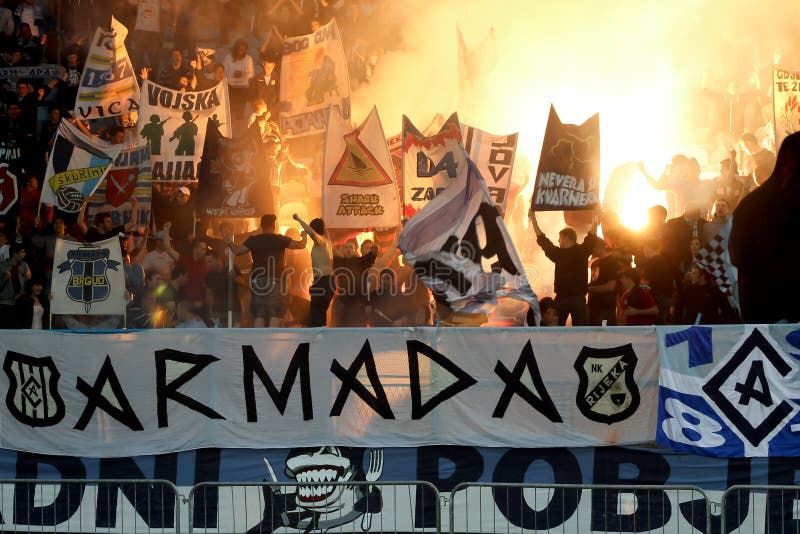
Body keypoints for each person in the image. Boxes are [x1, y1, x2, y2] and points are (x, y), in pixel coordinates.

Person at [730, 131, 800, 323]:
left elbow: (736, 255)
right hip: (768, 313)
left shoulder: (750, 205)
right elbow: (738, 254)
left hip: (764, 315)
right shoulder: (753, 206)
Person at [225, 214, 307, 327]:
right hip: (275, 280)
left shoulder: (254, 240)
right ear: (274, 226)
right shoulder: (280, 239)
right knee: (275, 313)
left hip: (258, 280)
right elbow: (301, 245)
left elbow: (237, 251)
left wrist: (229, 241)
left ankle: (260, 342)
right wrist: (304, 236)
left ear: (261, 226)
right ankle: (272, 342)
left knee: (259, 313)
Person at [529, 209, 598, 326]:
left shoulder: (560, 254)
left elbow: (542, 239)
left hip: (566, 298)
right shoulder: (581, 251)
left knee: (558, 327)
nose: (558, 241)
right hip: (574, 298)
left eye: (559, 238)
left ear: (566, 238)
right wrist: (596, 216)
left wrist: (533, 219)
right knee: (577, 328)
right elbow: (593, 236)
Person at [293, 214, 333, 327]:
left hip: (322, 282)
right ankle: (321, 338)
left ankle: (315, 340)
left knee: (315, 315)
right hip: (329, 282)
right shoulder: (327, 241)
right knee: (320, 313)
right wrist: (322, 220)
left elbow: (311, 233)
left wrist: (299, 219)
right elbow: (324, 230)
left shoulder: (320, 241)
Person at [587, 240, 619, 326]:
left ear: (597, 247)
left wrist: (588, 289)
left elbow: (610, 286)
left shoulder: (612, 262)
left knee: (604, 334)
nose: (590, 250)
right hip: (592, 306)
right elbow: (595, 281)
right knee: (593, 335)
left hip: (605, 308)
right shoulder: (595, 263)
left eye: (591, 248)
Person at [223, 38, 254, 121]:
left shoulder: (248, 59)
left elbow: (251, 74)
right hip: (231, 87)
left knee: (240, 110)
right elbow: (223, 72)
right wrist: (232, 75)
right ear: (235, 48)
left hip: (242, 87)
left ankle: (239, 124)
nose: (241, 51)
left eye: (243, 50)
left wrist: (243, 74)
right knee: (230, 108)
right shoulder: (228, 58)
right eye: (239, 49)